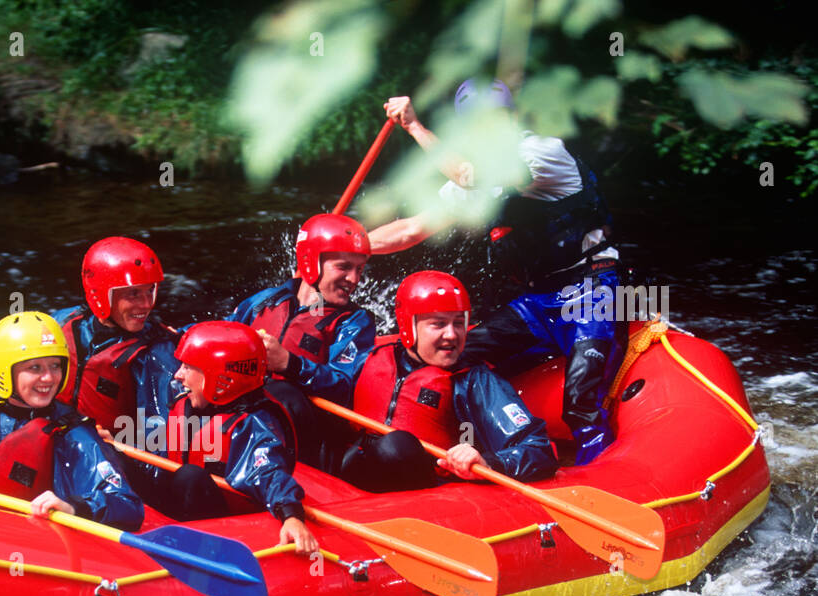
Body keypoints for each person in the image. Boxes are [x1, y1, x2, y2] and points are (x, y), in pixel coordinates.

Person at [367, 78, 624, 465]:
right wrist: (346, 244)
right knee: (454, 355)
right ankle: (476, 450)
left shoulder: (541, 152)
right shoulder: (475, 181)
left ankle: (602, 473)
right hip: (538, 303)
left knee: (580, 401)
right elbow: (411, 229)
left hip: (592, 292)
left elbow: (467, 175)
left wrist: (414, 126)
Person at [334, 270, 557, 491]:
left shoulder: (474, 380)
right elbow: (325, 381)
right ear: (408, 327)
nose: (452, 334)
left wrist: (490, 462)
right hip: (358, 470)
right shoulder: (371, 358)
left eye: (459, 323)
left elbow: (538, 449)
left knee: (396, 446)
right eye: (439, 324)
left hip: (430, 488)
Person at [0, 236, 182, 442]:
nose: (146, 304)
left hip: (104, 458)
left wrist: (120, 442)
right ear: (101, 294)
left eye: (150, 291)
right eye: (133, 294)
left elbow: (160, 437)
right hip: (49, 432)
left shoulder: (156, 352)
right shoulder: (65, 322)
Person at [136, 321, 318, 554]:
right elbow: (160, 447)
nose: (178, 375)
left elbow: (269, 473)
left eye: (188, 367)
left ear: (219, 377)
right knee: (115, 455)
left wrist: (291, 516)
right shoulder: (188, 404)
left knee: (190, 477)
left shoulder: (254, 424)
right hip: (179, 500)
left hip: (222, 519)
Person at [0, 311, 144, 531]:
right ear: (4, 369)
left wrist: (74, 507)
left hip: (35, 543)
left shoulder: (71, 432)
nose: (48, 378)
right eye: (35, 367)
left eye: (55, 366)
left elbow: (128, 505)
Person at [227, 213, 378, 470]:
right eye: (343, 267)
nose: (354, 279)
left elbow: (345, 385)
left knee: (281, 393)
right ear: (310, 263)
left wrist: (289, 364)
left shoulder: (356, 322)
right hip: (243, 414)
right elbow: (222, 334)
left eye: (359, 270)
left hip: (310, 434)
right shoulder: (266, 300)